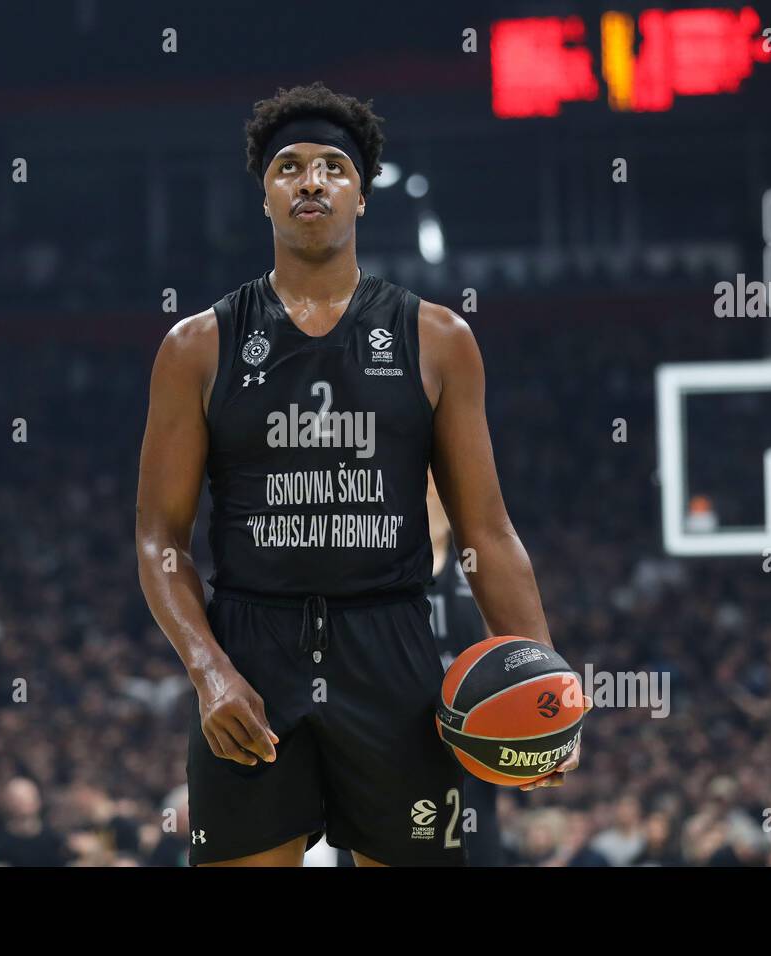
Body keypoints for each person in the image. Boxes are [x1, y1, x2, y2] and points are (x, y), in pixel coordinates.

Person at [136, 81, 578, 867]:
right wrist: (209, 673)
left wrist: (544, 680)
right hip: (252, 650)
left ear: (363, 198)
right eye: (290, 167)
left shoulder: (439, 340)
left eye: (335, 167)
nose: (312, 181)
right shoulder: (196, 346)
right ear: (264, 194)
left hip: (393, 653)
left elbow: (486, 530)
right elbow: (158, 539)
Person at [425, 468, 503, 866]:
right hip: (394, 737)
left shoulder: (479, 562)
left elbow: (512, 655)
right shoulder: (375, 562)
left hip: (468, 742)